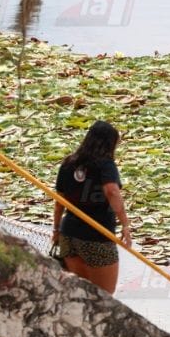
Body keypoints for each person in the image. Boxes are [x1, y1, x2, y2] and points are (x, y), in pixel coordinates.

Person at [52, 120, 132, 294]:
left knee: (79, 295)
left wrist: (56, 230)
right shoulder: (105, 165)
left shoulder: (68, 163)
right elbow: (112, 191)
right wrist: (125, 224)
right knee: (104, 300)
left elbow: (59, 202)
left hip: (69, 236)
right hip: (97, 237)